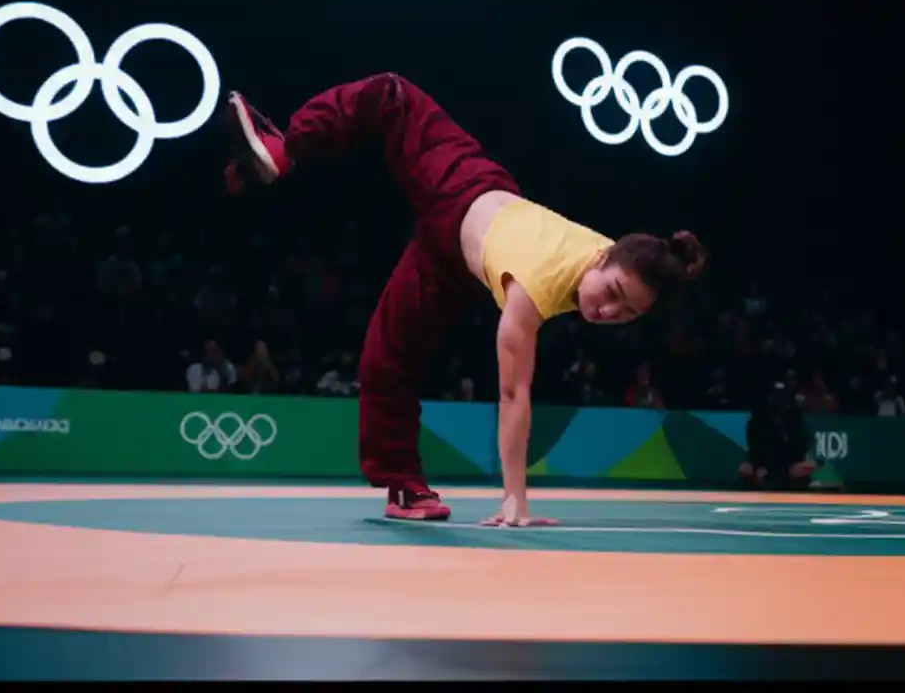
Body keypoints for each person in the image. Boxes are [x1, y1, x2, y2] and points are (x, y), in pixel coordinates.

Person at [222, 73, 706, 526]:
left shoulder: (624, 260)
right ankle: (284, 148)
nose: (607, 312)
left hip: (455, 265)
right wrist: (514, 497)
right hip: (462, 187)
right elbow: (513, 395)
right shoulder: (535, 285)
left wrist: (679, 267)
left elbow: (647, 270)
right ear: (602, 257)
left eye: (628, 313)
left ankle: (405, 488)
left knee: (385, 356)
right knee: (392, 94)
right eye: (613, 293)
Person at [740, 382, 816, 490]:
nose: (778, 402)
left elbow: (802, 446)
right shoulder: (758, 420)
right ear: (770, 398)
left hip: (789, 467)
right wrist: (754, 465)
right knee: (745, 472)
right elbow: (755, 447)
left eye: (782, 397)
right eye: (776, 397)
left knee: (799, 476)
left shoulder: (796, 420)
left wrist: (794, 466)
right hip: (764, 466)